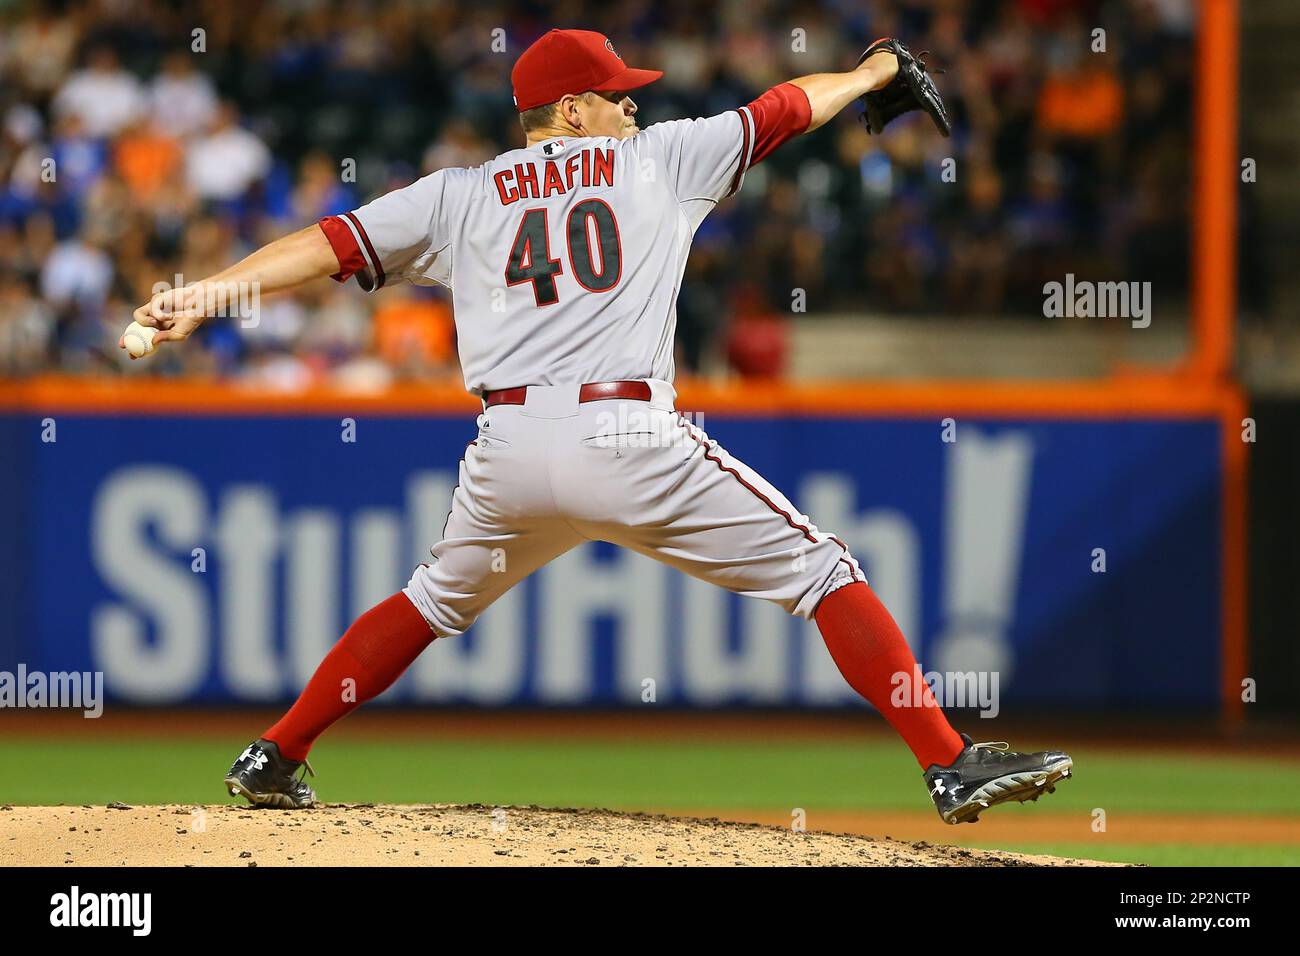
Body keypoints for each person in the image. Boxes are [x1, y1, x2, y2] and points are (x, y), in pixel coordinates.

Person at [126, 29, 1071, 825]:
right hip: (625, 435)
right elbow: (787, 107)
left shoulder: (457, 194)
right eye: (617, 95)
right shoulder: (660, 159)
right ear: (570, 110)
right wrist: (872, 72)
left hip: (506, 452)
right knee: (825, 571)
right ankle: (947, 761)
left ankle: (276, 752)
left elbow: (322, 245)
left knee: (429, 602)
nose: (633, 106)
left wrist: (203, 295)